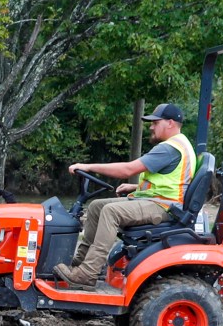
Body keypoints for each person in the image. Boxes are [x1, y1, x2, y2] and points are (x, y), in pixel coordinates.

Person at [55, 103, 196, 289]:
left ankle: (87, 274)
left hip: (163, 207)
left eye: (155, 123)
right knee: (96, 206)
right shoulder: (180, 145)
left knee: (111, 212)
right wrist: (135, 187)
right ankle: (80, 263)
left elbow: (128, 169)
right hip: (160, 200)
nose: (151, 127)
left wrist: (87, 167)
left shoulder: (169, 148)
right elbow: (172, 181)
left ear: (170, 123)